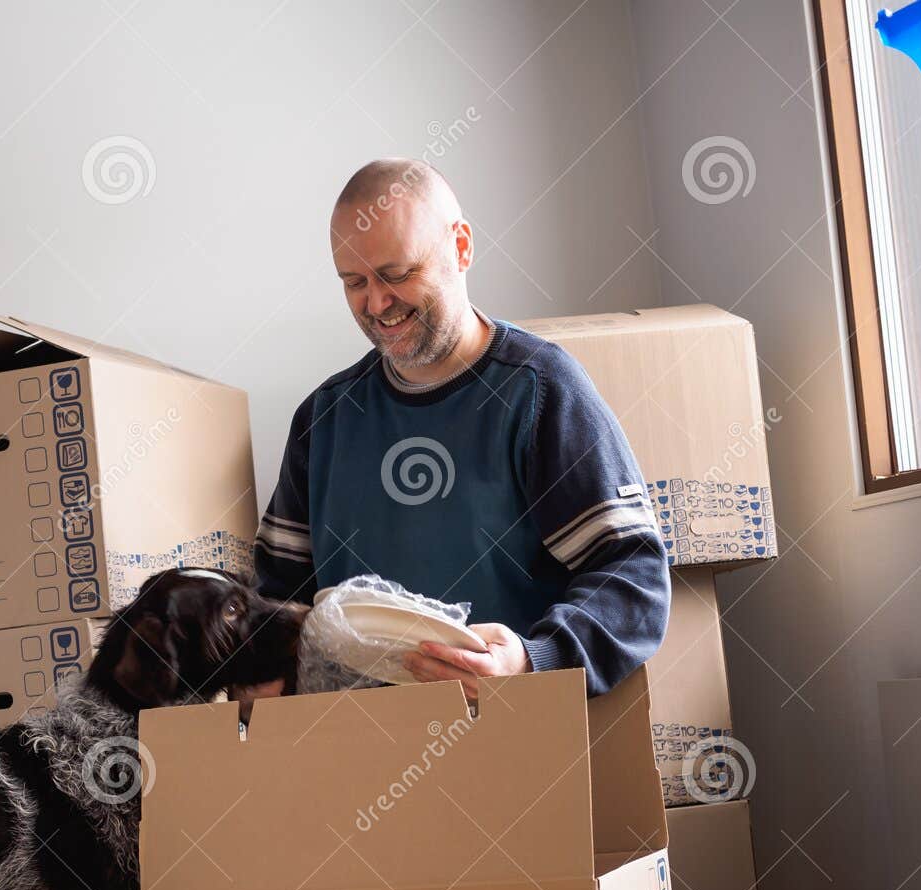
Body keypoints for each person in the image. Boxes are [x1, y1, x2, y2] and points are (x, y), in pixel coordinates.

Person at [251, 158, 669, 699]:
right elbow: (277, 595)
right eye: (354, 282)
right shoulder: (322, 420)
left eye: (397, 274)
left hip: (513, 738)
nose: (376, 303)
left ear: (461, 247)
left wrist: (528, 661)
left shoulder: (540, 391)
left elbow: (633, 578)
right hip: (357, 752)